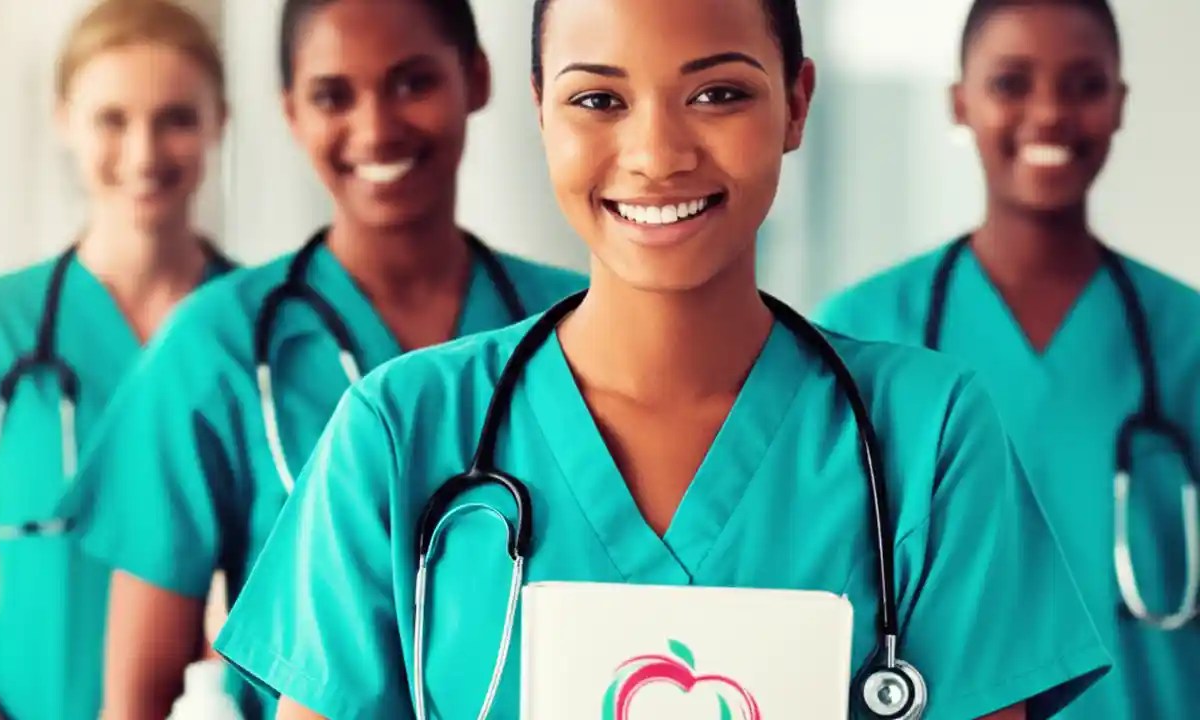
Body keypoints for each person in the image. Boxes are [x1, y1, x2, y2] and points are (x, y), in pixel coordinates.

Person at [212, 0, 1113, 717]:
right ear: (539, 111)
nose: (656, 154)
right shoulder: (399, 433)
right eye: (598, 99)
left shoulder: (929, 433)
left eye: (718, 93)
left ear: (797, 102)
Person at [66, 0, 588, 718]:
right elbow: (138, 702)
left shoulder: (577, 325)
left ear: (477, 76)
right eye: (332, 95)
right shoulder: (216, 345)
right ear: (290, 113)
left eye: (412, 83)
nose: (375, 127)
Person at [813, 1, 1200, 717]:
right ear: (960, 102)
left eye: (1085, 84)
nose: (1050, 112)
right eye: (1011, 83)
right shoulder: (860, 333)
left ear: (1119, 104)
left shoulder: (1188, 336)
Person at [0, 1, 234, 718]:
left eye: (177, 118)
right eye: (112, 119)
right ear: (65, 120)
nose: (144, 152)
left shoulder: (265, 335)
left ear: (221, 119)